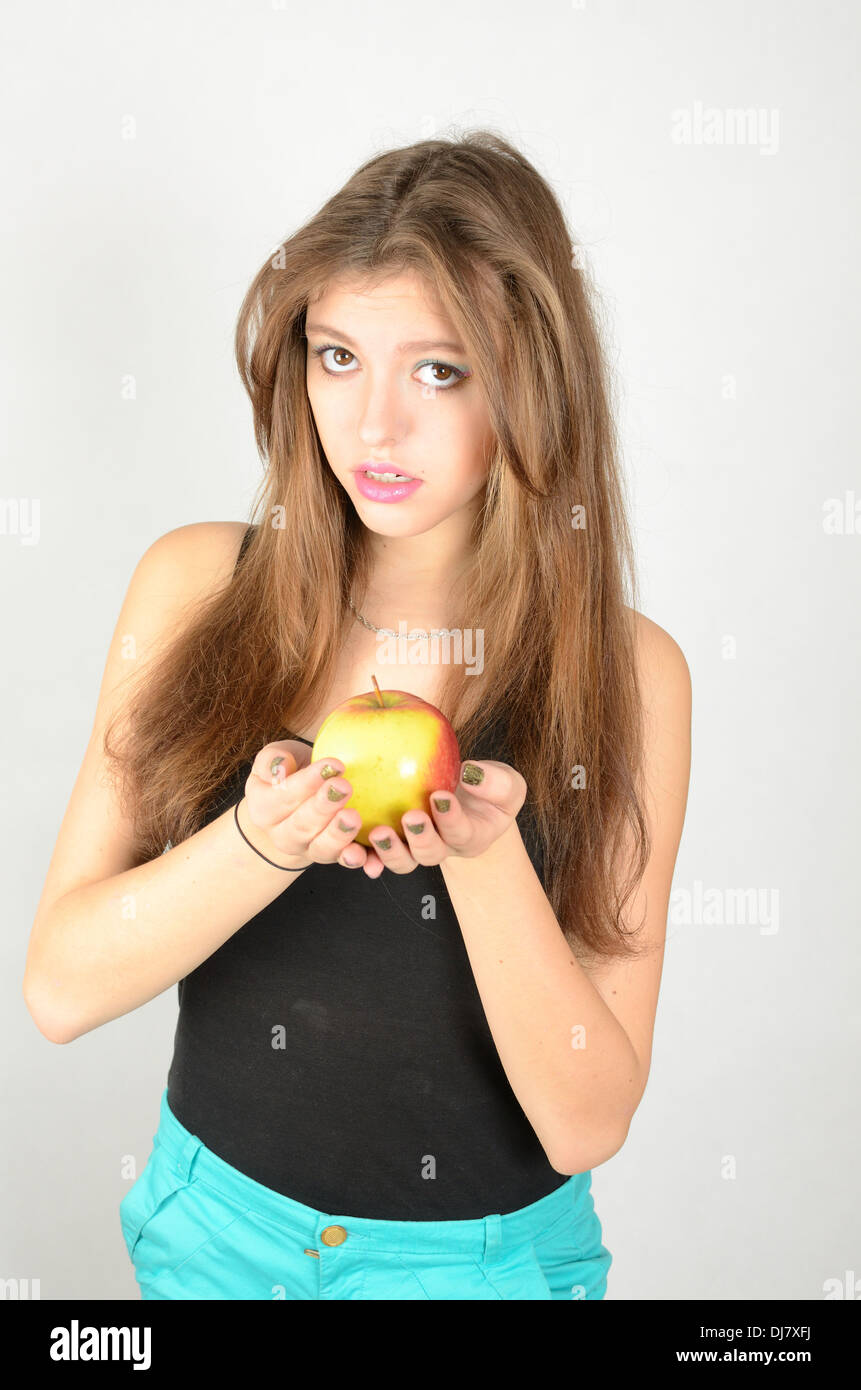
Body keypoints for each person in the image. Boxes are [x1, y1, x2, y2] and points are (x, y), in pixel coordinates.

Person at [23, 130, 691, 1300]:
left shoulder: (630, 676)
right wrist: (258, 843)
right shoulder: (191, 589)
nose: (373, 427)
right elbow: (59, 989)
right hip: (212, 1239)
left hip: (487, 1271)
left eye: (439, 371)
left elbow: (588, 1122)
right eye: (338, 357)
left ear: (531, 383)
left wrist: (482, 864)